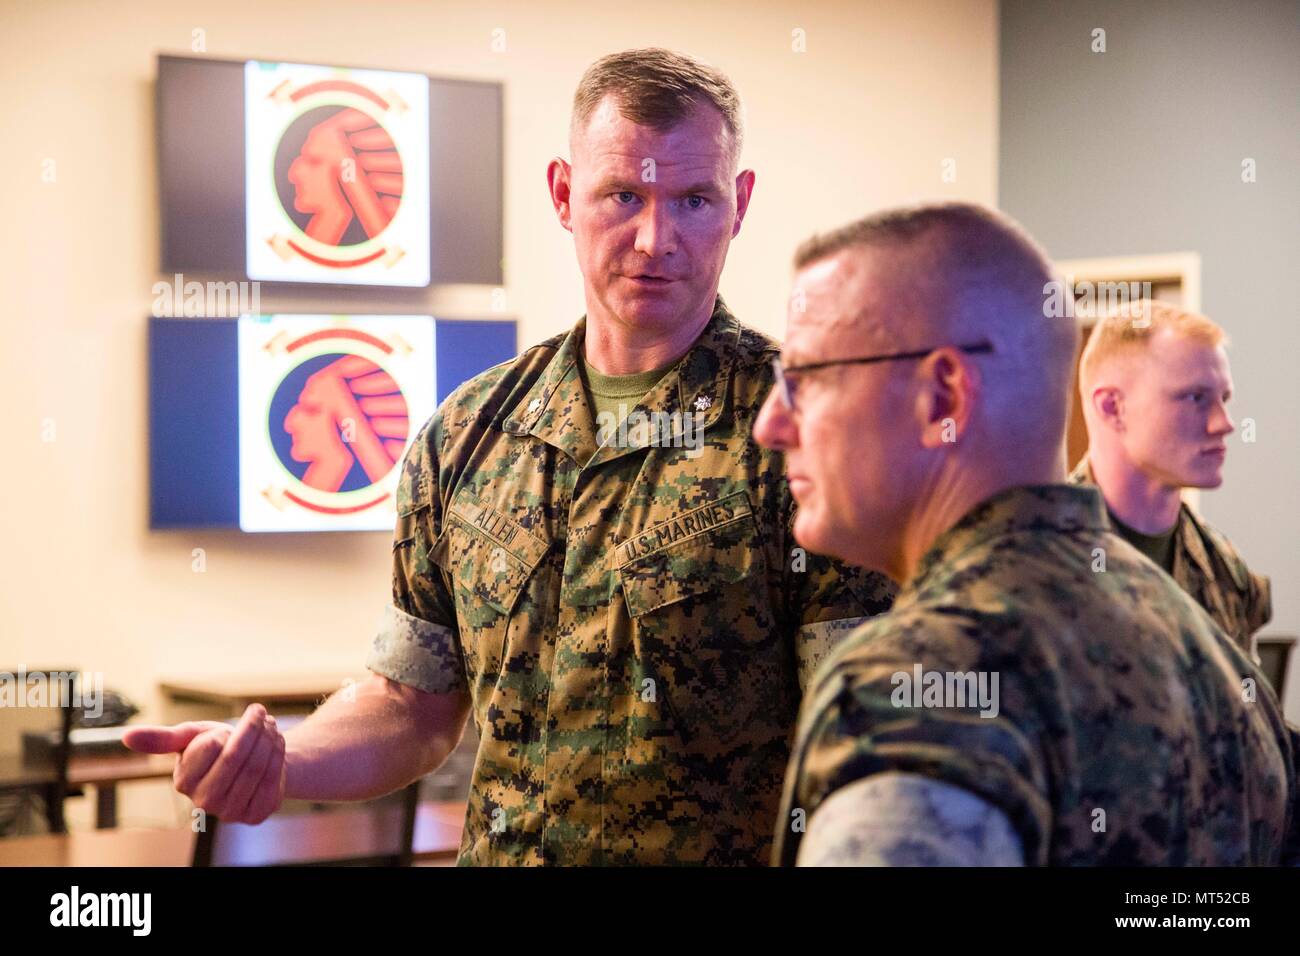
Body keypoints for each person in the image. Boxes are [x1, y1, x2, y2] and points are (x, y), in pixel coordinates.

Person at [125, 48, 893, 866]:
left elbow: (864, 742)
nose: (654, 237)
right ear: (564, 194)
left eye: (693, 200)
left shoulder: (809, 434)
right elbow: (411, 704)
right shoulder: (468, 433)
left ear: (738, 205)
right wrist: (288, 760)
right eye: (622, 196)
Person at [753, 201, 1298, 866]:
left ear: (943, 399)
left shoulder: (924, 683)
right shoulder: (1214, 661)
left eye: (803, 380)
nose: (770, 425)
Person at [1070, 299, 1271, 652]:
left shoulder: (1223, 568)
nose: (1224, 423)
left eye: (1225, 399)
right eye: (1196, 398)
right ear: (1112, 407)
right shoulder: (1034, 556)